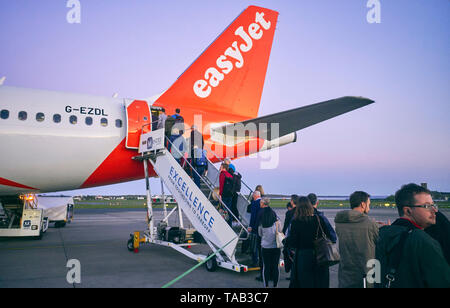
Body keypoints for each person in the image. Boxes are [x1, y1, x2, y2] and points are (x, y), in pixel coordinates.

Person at [375, 183, 450, 288]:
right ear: (408, 210)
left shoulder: (381, 234)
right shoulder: (422, 240)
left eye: (433, 205)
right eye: (427, 206)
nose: (435, 210)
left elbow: (374, 276)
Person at [334, 191, 378, 288]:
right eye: (368, 204)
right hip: (368, 272)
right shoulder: (370, 223)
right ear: (363, 204)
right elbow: (379, 242)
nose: (369, 208)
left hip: (346, 271)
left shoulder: (340, 222)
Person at [287, 196, 333, 288]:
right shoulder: (319, 219)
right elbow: (330, 235)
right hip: (320, 255)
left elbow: (293, 242)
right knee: (320, 282)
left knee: (305, 282)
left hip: (304, 257)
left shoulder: (296, 222)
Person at [258, 198, 282, 288]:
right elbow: (280, 231)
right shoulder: (277, 223)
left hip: (265, 247)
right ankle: (275, 285)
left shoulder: (261, 224)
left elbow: (260, 234)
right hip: (276, 247)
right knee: (276, 267)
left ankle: (266, 285)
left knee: (266, 267)